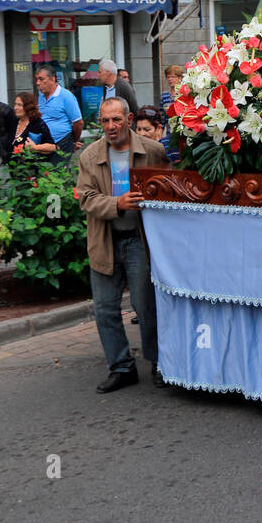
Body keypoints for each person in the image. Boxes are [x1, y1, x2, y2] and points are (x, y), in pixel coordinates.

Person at [75, 97, 170, 393]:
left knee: (146, 306)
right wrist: (117, 203)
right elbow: (86, 198)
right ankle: (121, 366)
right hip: (105, 239)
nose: (111, 126)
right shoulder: (90, 157)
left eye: (116, 120)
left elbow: (169, 190)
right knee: (105, 309)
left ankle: (159, 364)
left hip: (139, 240)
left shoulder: (152, 151)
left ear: (128, 120)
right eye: (105, 121)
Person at [35, 66, 84, 158]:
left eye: (41, 79)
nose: (38, 83)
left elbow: (78, 123)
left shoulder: (66, 96)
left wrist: (72, 142)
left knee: (58, 171)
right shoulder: (41, 97)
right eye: (36, 79)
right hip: (45, 145)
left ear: (53, 79)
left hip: (61, 142)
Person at [10, 91, 57, 158]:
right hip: (11, 166)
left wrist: (35, 147)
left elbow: (53, 147)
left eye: (19, 105)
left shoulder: (38, 124)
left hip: (31, 166)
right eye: (15, 104)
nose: (15, 108)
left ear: (28, 107)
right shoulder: (13, 122)